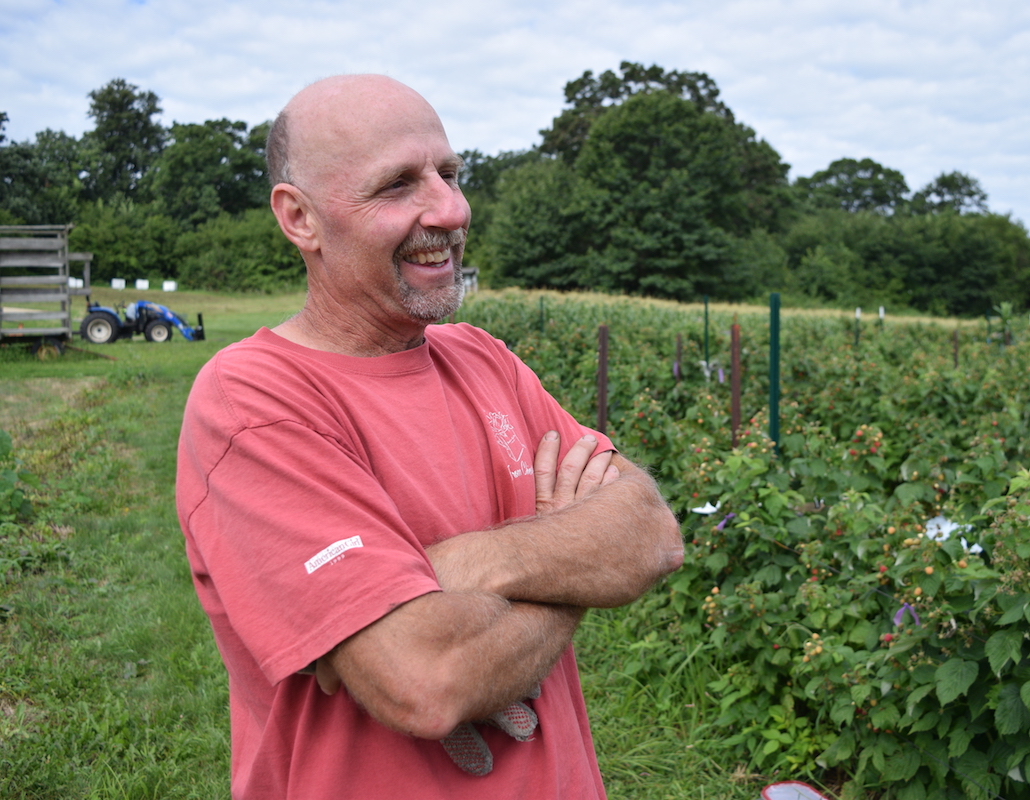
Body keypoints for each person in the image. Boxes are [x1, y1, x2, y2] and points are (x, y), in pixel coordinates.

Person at [174, 73, 682, 800]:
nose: (450, 209)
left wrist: (464, 564)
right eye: (397, 186)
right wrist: (575, 571)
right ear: (300, 219)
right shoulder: (254, 402)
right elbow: (425, 680)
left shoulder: (485, 360)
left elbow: (652, 532)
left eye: (449, 173)